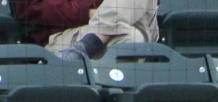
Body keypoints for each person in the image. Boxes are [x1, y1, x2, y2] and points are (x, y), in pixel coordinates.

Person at [14, 0, 156, 60]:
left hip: (122, 24)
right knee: (132, 40)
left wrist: (102, 13)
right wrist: (86, 12)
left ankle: (93, 40)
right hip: (63, 36)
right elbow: (31, 8)